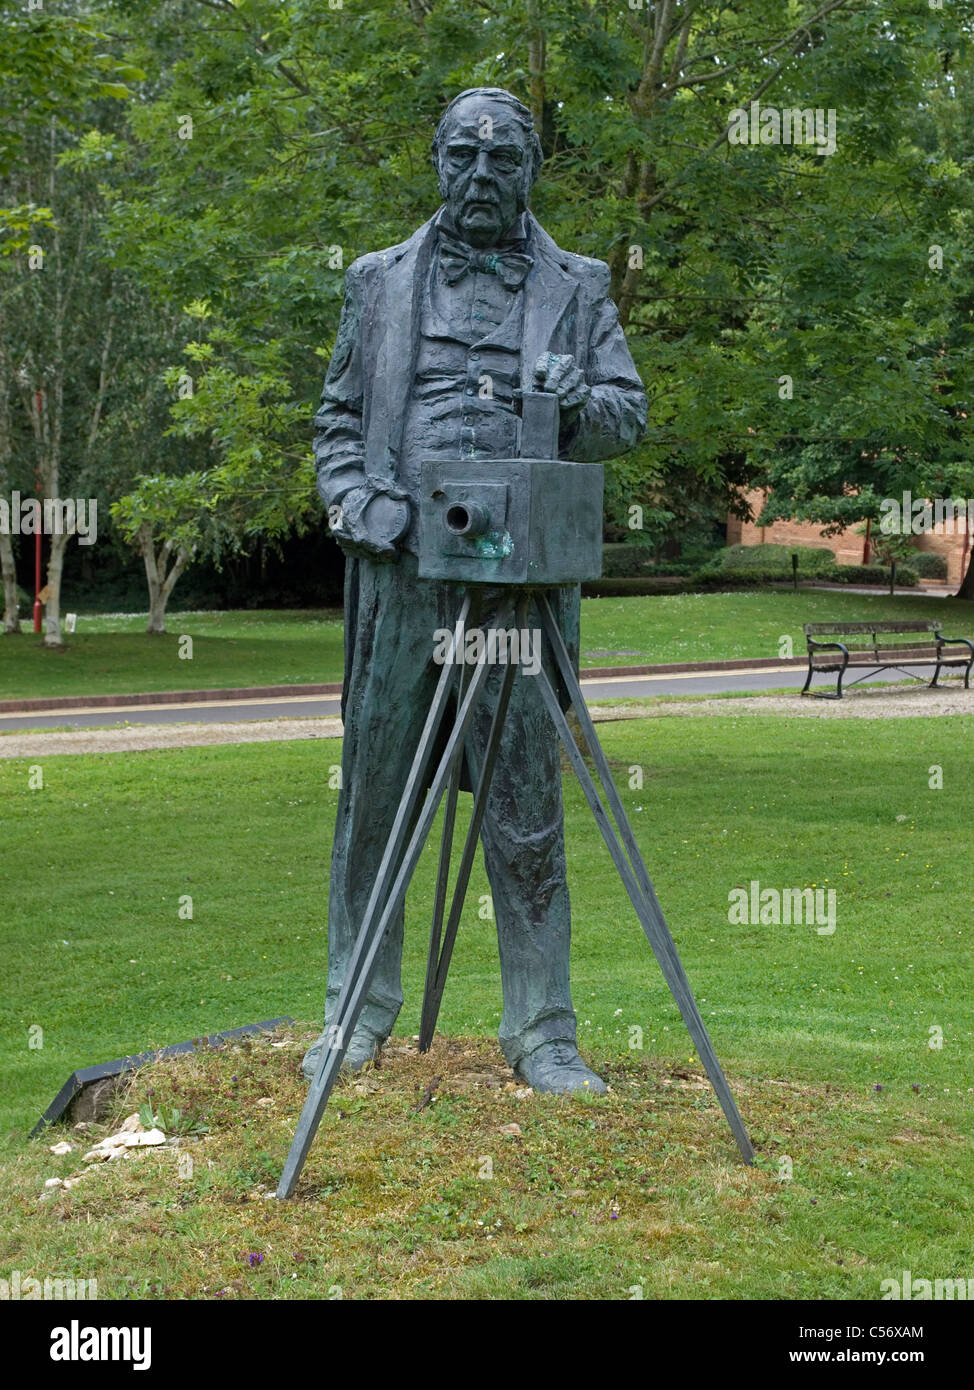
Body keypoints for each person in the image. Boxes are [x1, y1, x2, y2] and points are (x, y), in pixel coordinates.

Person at [302, 87, 646, 1093]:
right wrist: (362, 506)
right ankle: (353, 1014)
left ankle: (541, 1030)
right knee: (373, 799)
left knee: (525, 804)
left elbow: (626, 415)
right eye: (462, 158)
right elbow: (335, 424)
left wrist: (582, 406)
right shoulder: (375, 281)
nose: (480, 178)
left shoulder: (577, 286)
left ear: (532, 167)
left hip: (517, 582)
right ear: (437, 160)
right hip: (403, 571)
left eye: (502, 161)